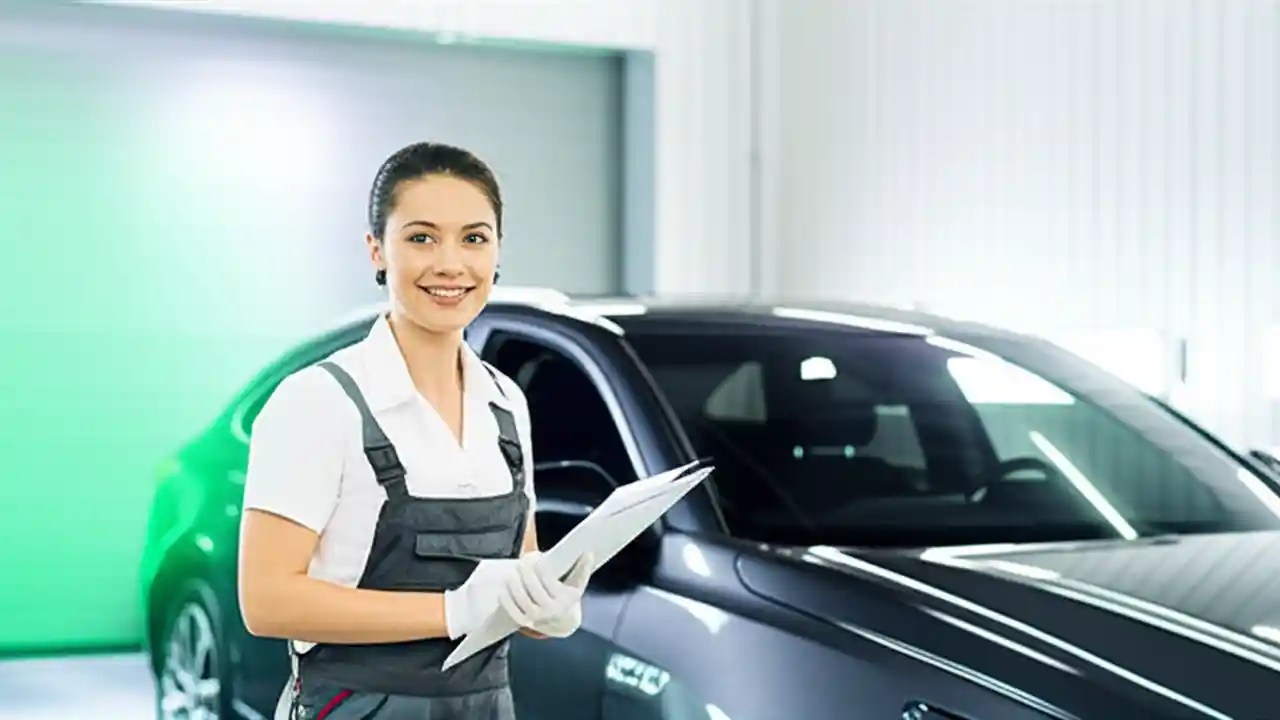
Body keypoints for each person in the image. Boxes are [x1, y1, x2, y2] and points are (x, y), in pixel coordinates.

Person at [237, 141, 595, 719]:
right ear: (377, 249)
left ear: (497, 251)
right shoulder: (318, 402)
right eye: (421, 237)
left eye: (474, 238)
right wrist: (451, 611)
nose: (451, 264)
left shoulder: (506, 403)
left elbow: (521, 566)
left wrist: (548, 606)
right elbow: (266, 600)